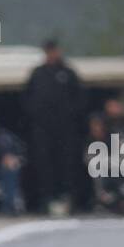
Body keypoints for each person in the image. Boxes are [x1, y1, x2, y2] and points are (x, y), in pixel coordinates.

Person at [23, 38, 86, 214]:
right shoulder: (37, 74)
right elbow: (27, 100)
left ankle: (71, 200)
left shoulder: (68, 73)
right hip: (43, 131)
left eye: (54, 50)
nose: (52, 54)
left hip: (66, 131)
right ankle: (46, 201)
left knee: (68, 165)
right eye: (48, 51)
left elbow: (80, 100)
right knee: (44, 166)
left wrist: (68, 115)